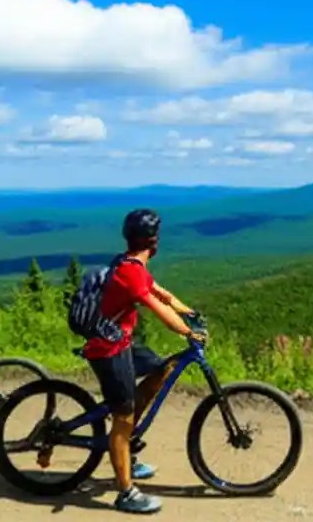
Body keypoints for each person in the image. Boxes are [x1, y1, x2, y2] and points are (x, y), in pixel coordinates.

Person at [80, 208, 206, 514]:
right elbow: (156, 307)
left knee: (162, 369)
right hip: (109, 349)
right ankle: (125, 491)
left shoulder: (131, 264)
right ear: (153, 241)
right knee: (122, 418)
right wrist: (187, 331)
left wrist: (190, 314)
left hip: (121, 342)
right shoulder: (129, 271)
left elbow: (163, 296)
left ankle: (125, 441)